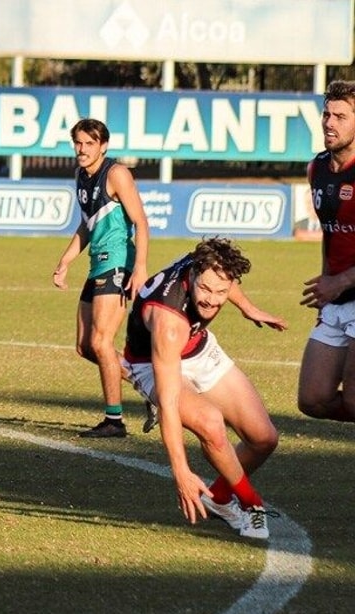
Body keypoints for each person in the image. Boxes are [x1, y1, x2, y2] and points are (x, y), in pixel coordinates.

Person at [122, 238, 285, 539]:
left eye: (221, 292)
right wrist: (180, 471)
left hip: (198, 348)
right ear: (193, 275)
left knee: (264, 439)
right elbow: (169, 402)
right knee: (210, 422)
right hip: (152, 361)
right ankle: (252, 506)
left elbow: (224, 278)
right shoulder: (169, 321)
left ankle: (220, 499)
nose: (211, 300)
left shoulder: (209, 266)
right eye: (205, 290)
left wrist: (248, 308)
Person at [52, 118, 150, 438]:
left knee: (101, 341)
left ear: (103, 146)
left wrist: (141, 268)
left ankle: (114, 420)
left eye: (88, 144)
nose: (82, 149)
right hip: (98, 263)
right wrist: (66, 261)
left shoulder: (117, 174)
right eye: (78, 143)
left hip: (119, 261)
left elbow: (141, 223)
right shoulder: (81, 175)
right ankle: (154, 390)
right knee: (85, 346)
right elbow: (88, 225)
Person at [298, 79, 355, 423]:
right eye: (326, 114)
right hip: (337, 297)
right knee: (312, 399)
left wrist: (342, 280)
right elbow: (329, 232)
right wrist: (328, 280)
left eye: (341, 116)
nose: (330, 123)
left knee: (353, 400)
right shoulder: (316, 168)